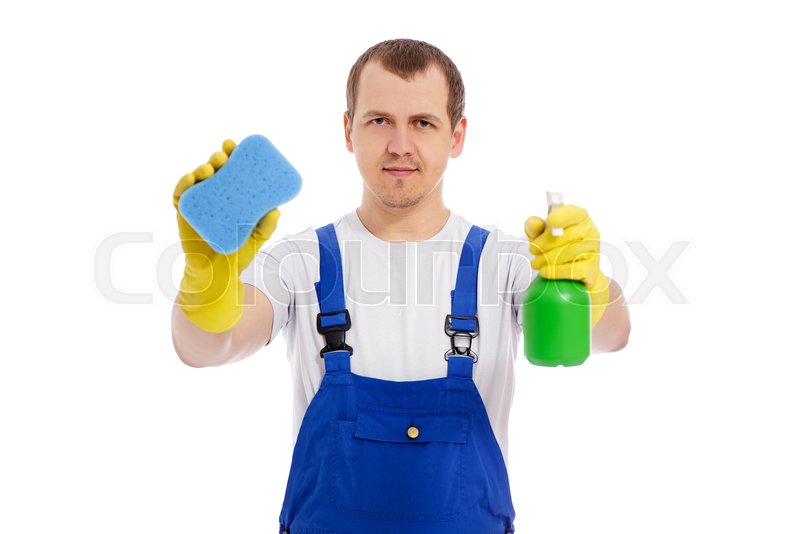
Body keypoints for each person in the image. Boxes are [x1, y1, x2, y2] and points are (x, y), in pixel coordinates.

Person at [172, 38, 630, 534]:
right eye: (379, 121)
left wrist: (589, 283)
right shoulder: (299, 262)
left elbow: (612, 336)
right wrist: (207, 282)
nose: (400, 146)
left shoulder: (508, 262)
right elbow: (205, 348)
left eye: (423, 123)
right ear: (348, 131)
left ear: (456, 136)